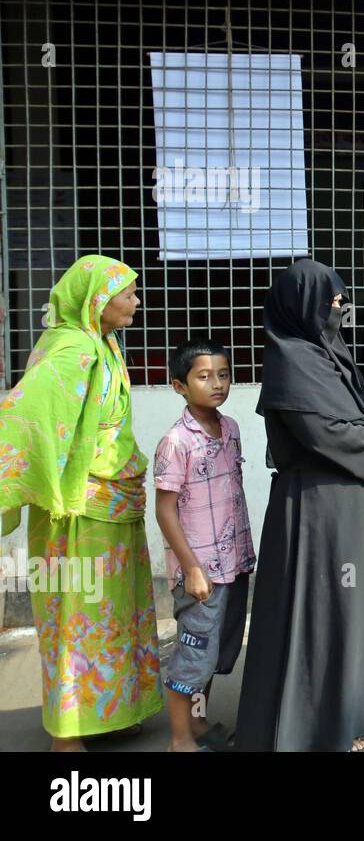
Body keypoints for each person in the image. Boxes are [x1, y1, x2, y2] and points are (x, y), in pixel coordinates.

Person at [237, 259, 364, 751]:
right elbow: (322, 434)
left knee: (352, 609)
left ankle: (353, 708)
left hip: (349, 505)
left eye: (340, 300)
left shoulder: (329, 355)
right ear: (301, 306)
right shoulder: (290, 360)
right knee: (324, 611)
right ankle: (325, 722)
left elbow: (357, 418)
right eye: (330, 302)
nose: (339, 309)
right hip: (317, 512)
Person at [0, 255, 162, 751]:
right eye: (127, 293)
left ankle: (111, 711)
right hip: (79, 512)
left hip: (115, 502)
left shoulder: (104, 343)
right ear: (96, 300)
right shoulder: (73, 348)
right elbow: (26, 414)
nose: (136, 301)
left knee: (116, 613)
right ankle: (67, 736)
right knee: (78, 615)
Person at [154, 338, 255, 752]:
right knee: (193, 655)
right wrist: (191, 568)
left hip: (232, 562)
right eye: (203, 376)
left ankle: (198, 725)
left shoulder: (229, 428)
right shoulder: (176, 441)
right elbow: (165, 511)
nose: (216, 383)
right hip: (200, 571)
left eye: (223, 374)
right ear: (179, 386)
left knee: (212, 656)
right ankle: (180, 740)